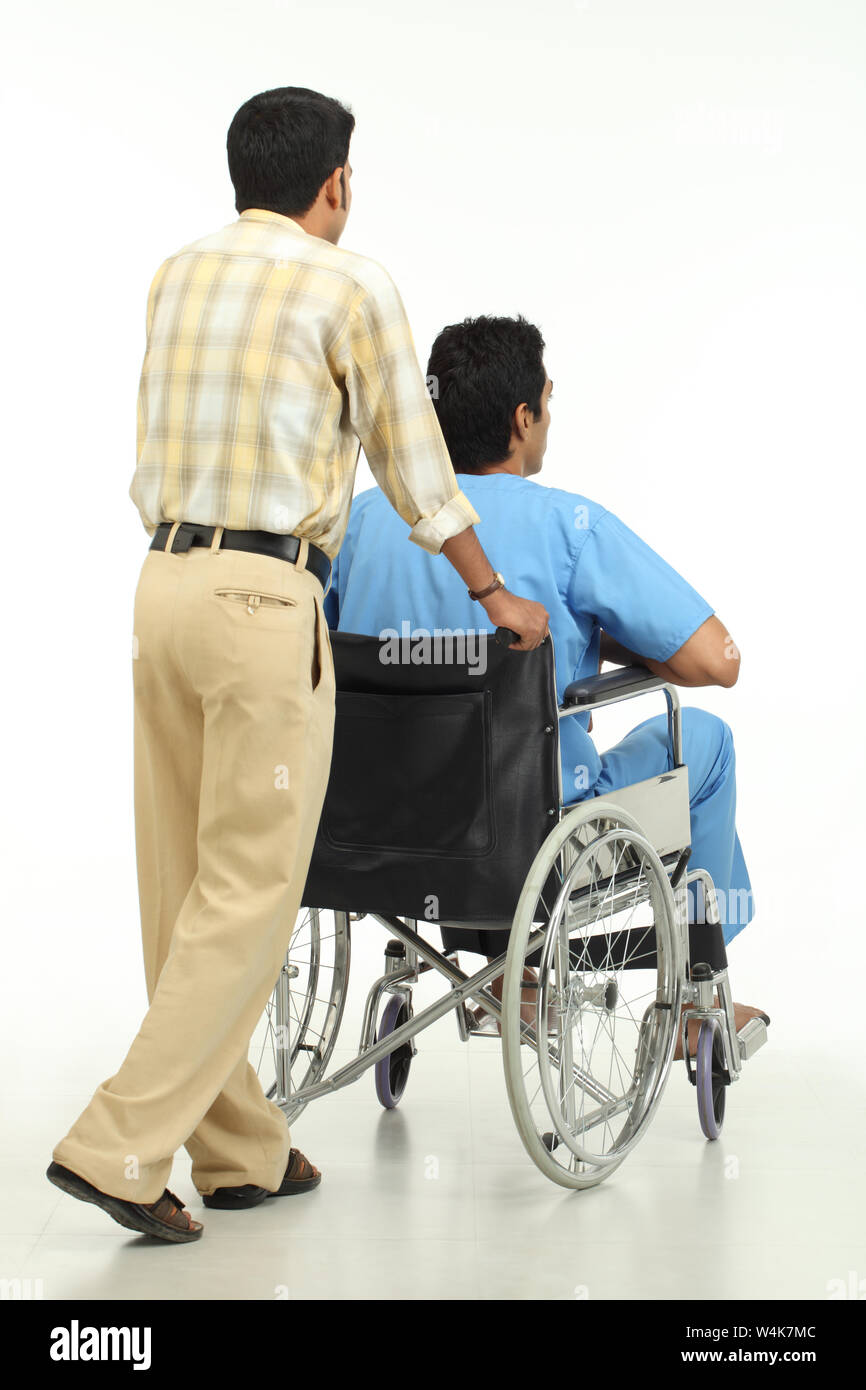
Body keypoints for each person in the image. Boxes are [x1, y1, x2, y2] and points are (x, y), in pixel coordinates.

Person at [46, 94, 549, 1244]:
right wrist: (489, 592)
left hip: (160, 588)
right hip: (262, 599)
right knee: (247, 888)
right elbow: (413, 467)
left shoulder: (175, 274)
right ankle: (119, 1144)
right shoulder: (348, 283)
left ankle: (237, 1149)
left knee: (181, 885)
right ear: (335, 183)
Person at [324, 313, 768, 1049]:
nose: (548, 420)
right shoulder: (567, 524)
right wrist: (605, 637)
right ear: (522, 417)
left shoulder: (363, 520)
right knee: (707, 741)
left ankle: (512, 969)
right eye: (547, 404)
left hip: (377, 830)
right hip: (533, 838)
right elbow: (717, 661)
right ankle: (696, 997)